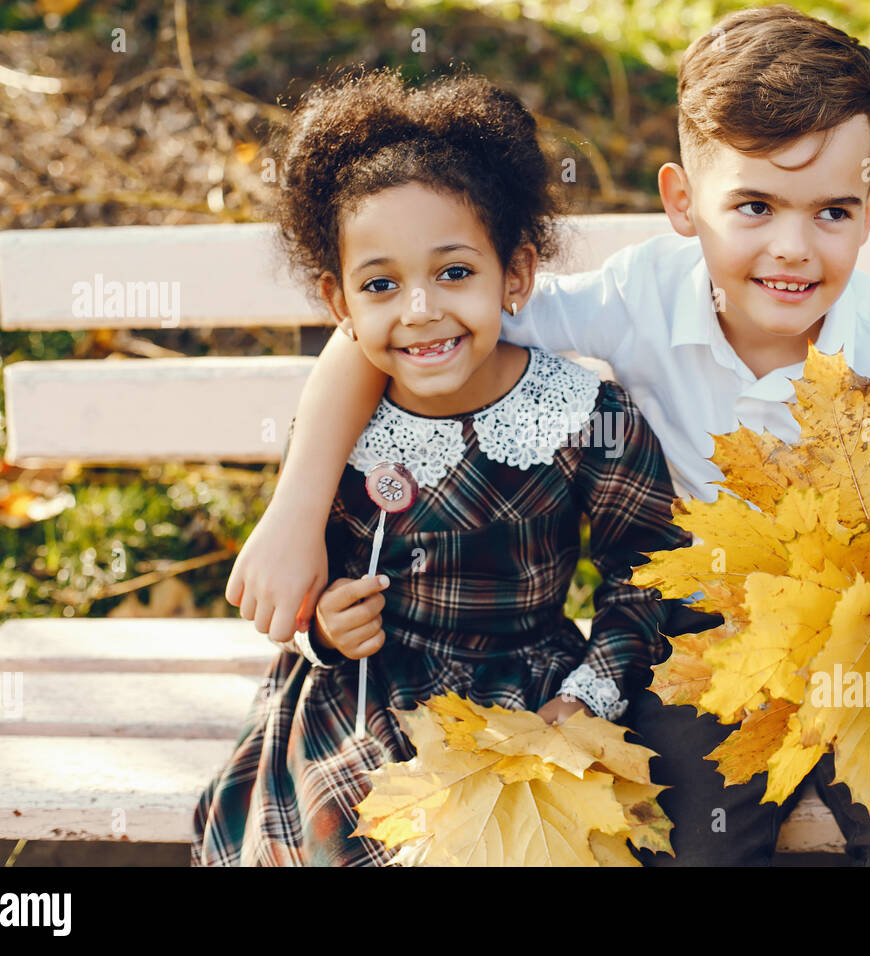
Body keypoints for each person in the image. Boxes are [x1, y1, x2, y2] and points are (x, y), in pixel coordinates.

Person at [226, 5, 870, 866]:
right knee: (683, 830)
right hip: (701, 631)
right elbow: (411, 328)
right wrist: (295, 514)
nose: (793, 248)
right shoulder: (638, 297)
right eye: (754, 205)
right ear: (682, 202)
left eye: (833, 212)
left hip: (869, 624)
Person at [192, 66, 688, 866]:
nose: (420, 310)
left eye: (454, 272)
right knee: (357, 836)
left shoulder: (584, 417)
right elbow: (307, 592)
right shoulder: (341, 432)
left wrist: (586, 697)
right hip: (365, 697)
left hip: (527, 694)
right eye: (381, 284)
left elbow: (648, 579)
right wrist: (328, 629)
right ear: (340, 305)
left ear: (515, 275)